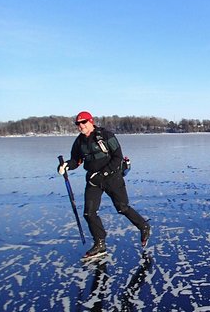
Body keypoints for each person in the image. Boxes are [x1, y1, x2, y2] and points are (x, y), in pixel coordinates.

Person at [57, 111, 150, 259]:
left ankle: (143, 226)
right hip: (93, 181)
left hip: (112, 178)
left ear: (91, 121)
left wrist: (103, 174)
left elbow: (118, 157)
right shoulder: (79, 142)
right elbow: (77, 160)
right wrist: (66, 165)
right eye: (78, 124)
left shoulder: (106, 136)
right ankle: (100, 243)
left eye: (83, 122)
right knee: (89, 213)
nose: (81, 126)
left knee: (122, 208)